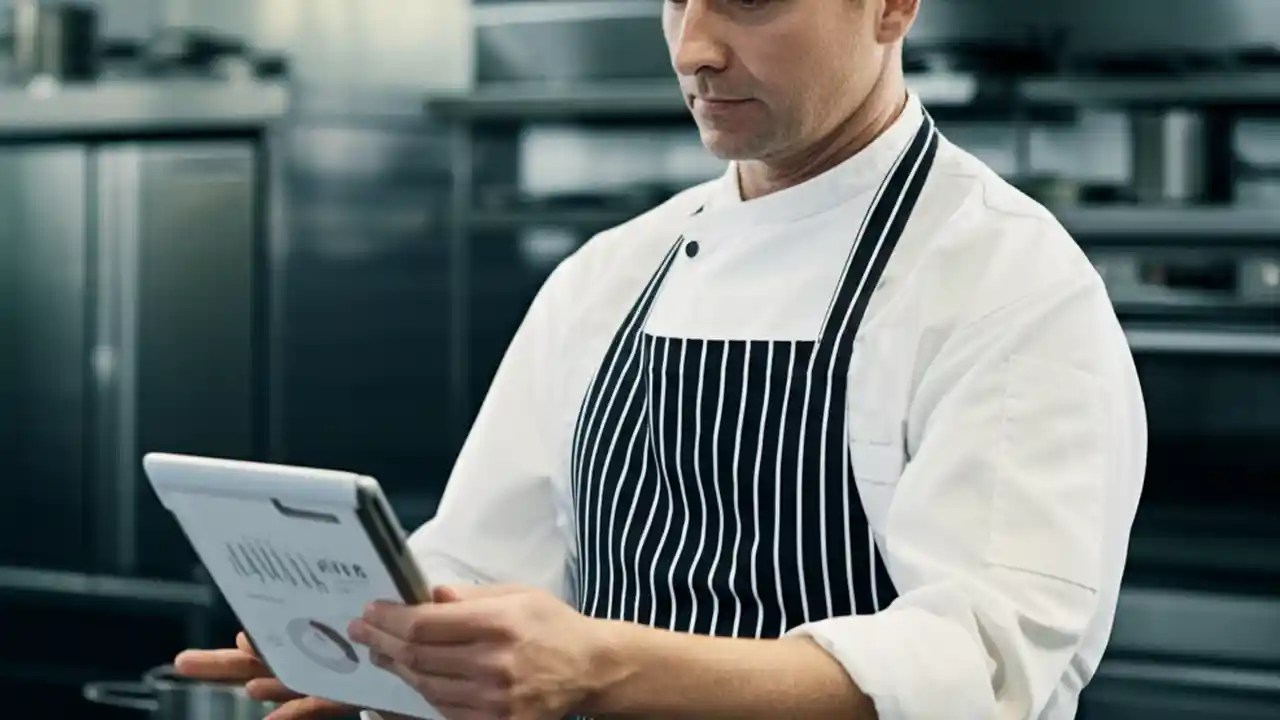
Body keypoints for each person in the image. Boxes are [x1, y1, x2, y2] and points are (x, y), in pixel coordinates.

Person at [175, 1, 1147, 718]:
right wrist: (374, 650)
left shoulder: (1006, 285)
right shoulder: (610, 274)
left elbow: (976, 668)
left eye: (751, 3)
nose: (693, 47)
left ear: (892, 7)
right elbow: (480, 552)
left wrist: (597, 666)